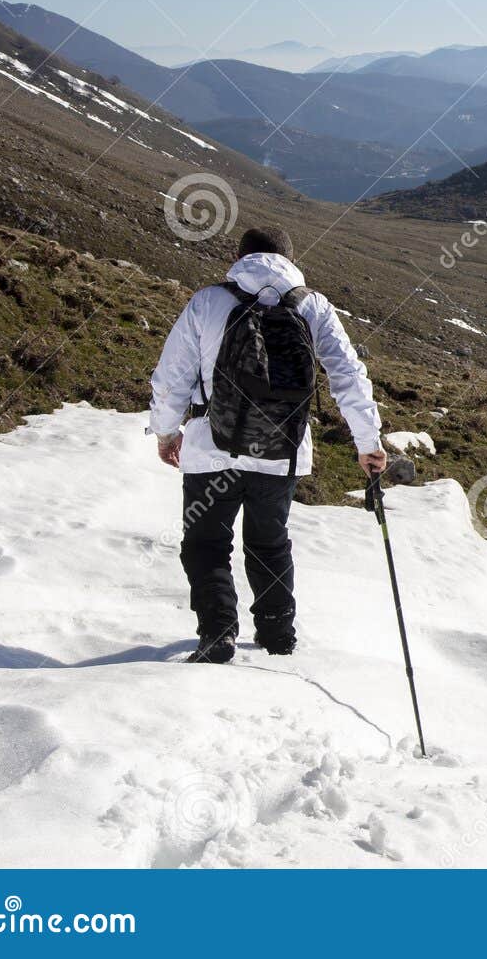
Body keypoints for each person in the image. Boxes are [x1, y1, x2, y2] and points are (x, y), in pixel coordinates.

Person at [149, 227, 387, 664]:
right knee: (270, 542)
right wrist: (367, 443)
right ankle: (278, 635)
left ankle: (217, 631)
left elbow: (171, 378)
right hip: (282, 453)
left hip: (210, 448)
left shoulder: (209, 301)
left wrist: (166, 434)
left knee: (206, 542)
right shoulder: (313, 306)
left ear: (239, 257)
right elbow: (349, 377)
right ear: (292, 258)